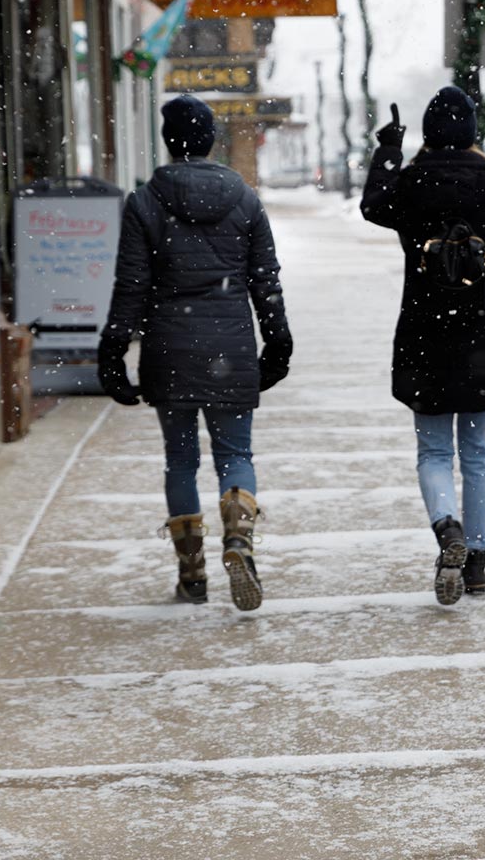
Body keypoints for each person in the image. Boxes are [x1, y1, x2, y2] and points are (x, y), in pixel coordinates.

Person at [361, 86, 485, 605]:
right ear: (473, 132)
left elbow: (371, 206)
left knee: (432, 450)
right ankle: (475, 562)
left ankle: (447, 528)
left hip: (424, 332)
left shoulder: (409, 186)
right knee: (477, 453)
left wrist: (387, 151)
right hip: (481, 334)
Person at [98, 95, 292, 612]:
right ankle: (238, 531)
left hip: (169, 346)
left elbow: (131, 286)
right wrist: (278, 340)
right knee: (235, 454)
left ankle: (194, 574)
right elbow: (265, 281)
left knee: (180, 460)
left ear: (169, 141)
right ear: (210, 140)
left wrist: (113, 349)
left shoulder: (144, 203)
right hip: (230, 345)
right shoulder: (245, 200)